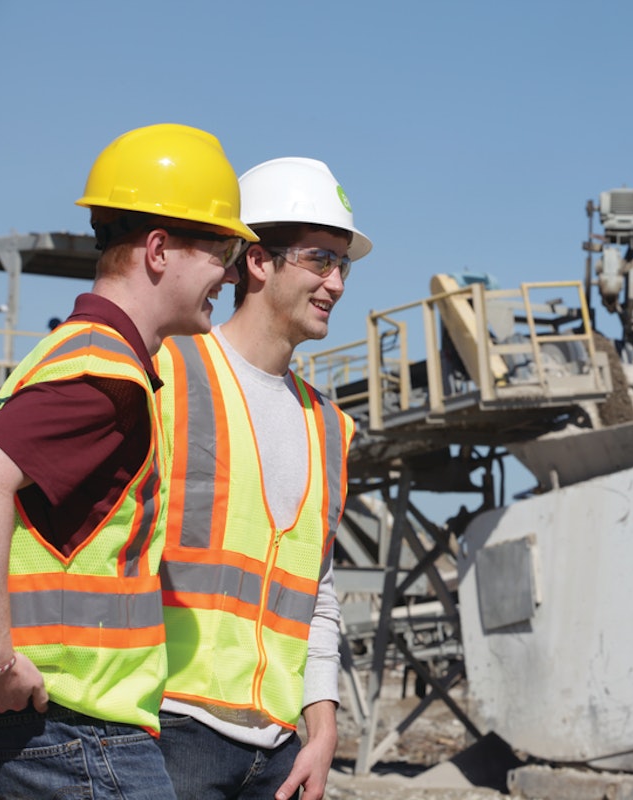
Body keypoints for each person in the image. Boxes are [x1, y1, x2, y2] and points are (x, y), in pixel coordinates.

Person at [0, 123, 255, 799]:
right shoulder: (106, 373)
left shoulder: (68, 355)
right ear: (159, 250)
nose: (231, 272)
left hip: (45, 730)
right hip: (74, 735)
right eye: (221, 248)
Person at [153, 157, 371, 800]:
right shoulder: (166, 370)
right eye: (319, 260)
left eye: (342, 265)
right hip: (169, 728)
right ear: (257, 261)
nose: (335, 283)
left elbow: (317, 591)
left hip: (278, 752)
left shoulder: (330, 425)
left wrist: (323, 724)